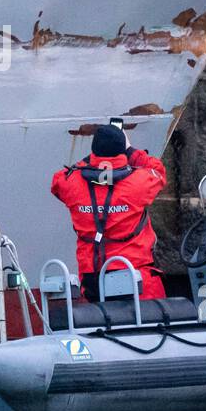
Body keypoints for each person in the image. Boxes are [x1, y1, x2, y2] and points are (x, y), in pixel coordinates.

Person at [51, 123, 167, 301]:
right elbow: (158, 170)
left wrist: (94, 160)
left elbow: (59, 180)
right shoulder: (140, 182)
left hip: (93, 281)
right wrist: (130, 151)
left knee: (102, 324)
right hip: (136, 279)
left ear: (94, 150)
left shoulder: (71, 183)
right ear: (122, 150)